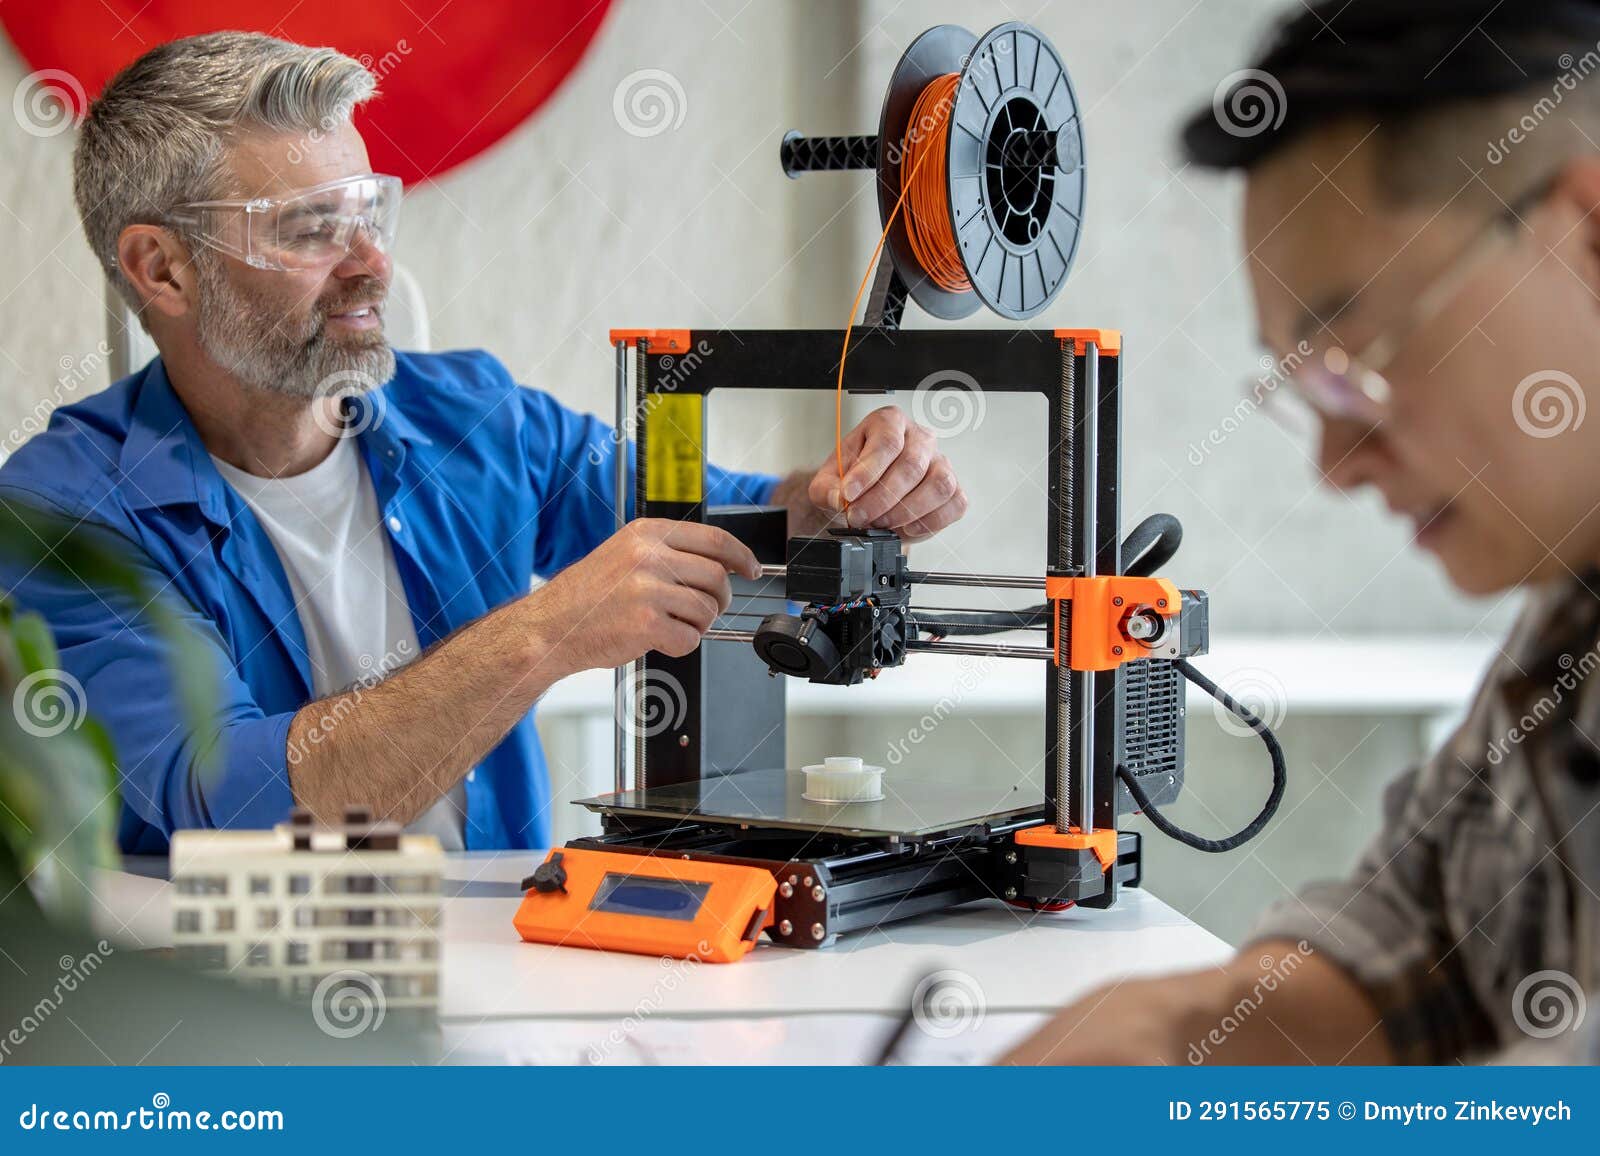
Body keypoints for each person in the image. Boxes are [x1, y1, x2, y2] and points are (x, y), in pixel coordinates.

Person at [0, 32, 968, 855]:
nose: (373, 262)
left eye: (368, 213)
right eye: (310, 228)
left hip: (507, 958)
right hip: (239, 1016)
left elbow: (733, 523)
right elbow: (227, 807)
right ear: (160, 268)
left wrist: (842, 499)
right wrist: (542, 635)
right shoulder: (65, 515)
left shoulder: (472, 416)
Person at [1006, 0, 1600, 1065]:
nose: (1335, 465)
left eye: (1350, 357)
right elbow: (1415, 941)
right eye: (1301, 386)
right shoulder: (1569, 636)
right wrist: (1174, 1027)